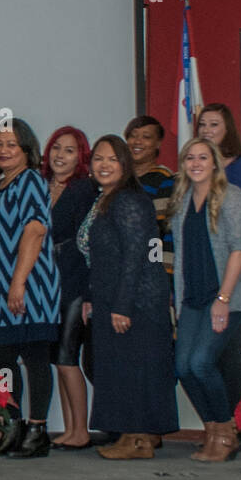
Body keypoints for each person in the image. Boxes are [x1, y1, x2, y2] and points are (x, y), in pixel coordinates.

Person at [81, 135, 178, 460]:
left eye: (112, 159)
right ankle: (135, 436)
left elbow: (136, 255)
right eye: (98, 159)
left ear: (125, 165)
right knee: (123, 369)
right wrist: (94, 297)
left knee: (133, 369)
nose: (104, 165)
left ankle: (137, 440)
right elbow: (107, 257)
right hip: (116, 298)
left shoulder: (127, 200)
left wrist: (122, 306)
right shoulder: (108, 199)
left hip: (137, 303)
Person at [0, 118, 61, 459]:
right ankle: (13, 424)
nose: (4, 150)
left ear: (26, 150)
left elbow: (35, 230)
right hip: (3, 287)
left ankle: (37, 430)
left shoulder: (32, 181)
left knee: (35, 358)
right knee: (4, 361)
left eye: (12, 145)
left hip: (32, 285)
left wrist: (18, 282)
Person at [169, 137, 241, 463]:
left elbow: (238, 248)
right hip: (193, 298)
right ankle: (213, 431)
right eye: (190, 158)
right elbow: (180, 257)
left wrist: (224, 298)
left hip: (228, 296)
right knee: (182, 367)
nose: (196, 163)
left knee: (202, 362)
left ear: (215, 163)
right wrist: (177, 303)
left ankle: (226, 432)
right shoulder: (182, 200)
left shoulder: (230, 196)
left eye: (203, 157)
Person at [197, 101, 241, 413]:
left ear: (228, 131)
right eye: (202, 125)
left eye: (214, 125)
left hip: (237, 263)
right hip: (205, 266)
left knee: (232, 346)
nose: (207, 131)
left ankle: (234, 418)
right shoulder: (195, 169)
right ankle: (218, 419)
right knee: (209, 352)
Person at [42, 126, 100, 450]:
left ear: (81, 157)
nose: (60, 156)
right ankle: (69, 428)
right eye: (56, 148)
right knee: (58, 358)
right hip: (48, 282)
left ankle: (82, 430)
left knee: (67, 355)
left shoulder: (83, 189)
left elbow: (87, 243)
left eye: (69, 150)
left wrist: (90, 291)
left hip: (76, 280)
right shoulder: (40, 186)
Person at [124, 115, 175, 277]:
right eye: (133, 135)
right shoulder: (118, 178)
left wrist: (164, 277)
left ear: (158, 143)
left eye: (146, 137)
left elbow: (165, 233)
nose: (137, 142)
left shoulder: (163, 180)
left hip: (148, 272)